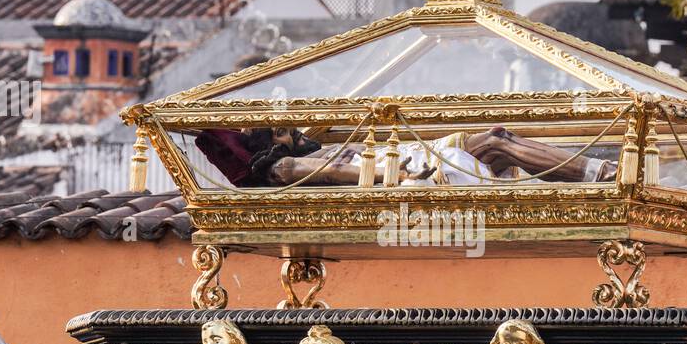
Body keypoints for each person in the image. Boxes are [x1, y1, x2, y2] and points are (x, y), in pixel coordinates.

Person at [194, 125, 615, 188]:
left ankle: (599, 171)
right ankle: (600, 175)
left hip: (412, 159)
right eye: (287, 131)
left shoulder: (301, 151)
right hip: (412, 170)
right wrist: (393, 175)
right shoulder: (284, 167)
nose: (300, 132)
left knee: (498, 139)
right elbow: (341, 171)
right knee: (498, 145)